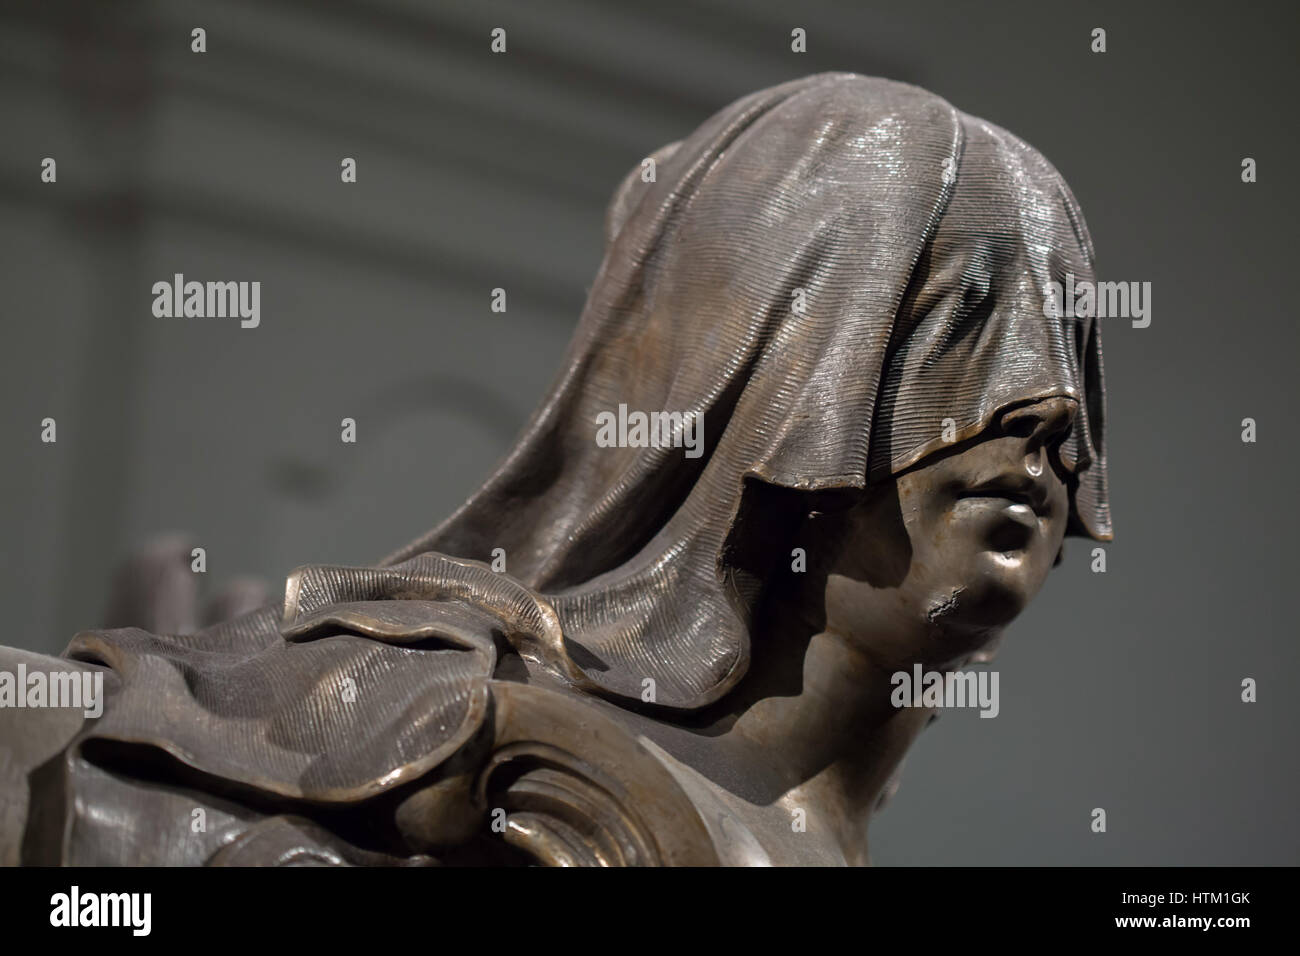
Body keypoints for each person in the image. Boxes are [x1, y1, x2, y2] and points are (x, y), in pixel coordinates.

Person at [0, 73, 1110, 866]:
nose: (1043, 412)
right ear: (771, 381)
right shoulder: (438, 746)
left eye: (1063, 340)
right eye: (957, 328)